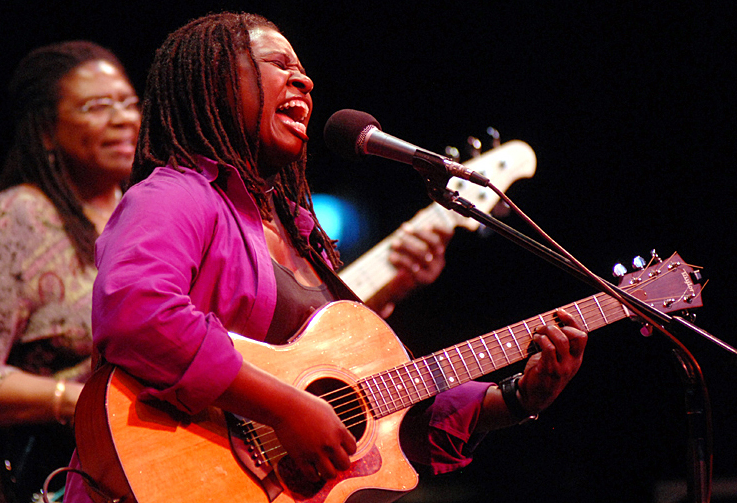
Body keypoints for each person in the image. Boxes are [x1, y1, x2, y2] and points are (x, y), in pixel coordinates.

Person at [64, 11, 586, 502]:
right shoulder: (176, 195)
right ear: (217, 83)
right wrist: (286, 408)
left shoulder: (300, 232)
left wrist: (516, 398)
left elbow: (374, 416)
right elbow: (136, 311)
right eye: (279, 65)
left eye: (304, 70)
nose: (305, 82)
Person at [0, 40, 142, 503]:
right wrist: (80, 403)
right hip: (48, 479)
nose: (123, 118)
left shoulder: (148, 215)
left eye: (128, 103)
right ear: (45, 132)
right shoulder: (17, 219)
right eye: (98, 107)